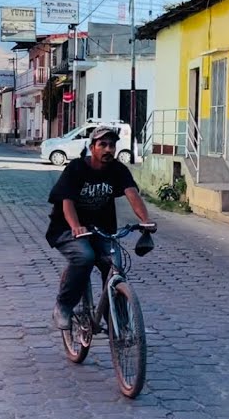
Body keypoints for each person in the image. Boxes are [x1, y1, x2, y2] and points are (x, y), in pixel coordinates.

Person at [45, 126, 155, 330]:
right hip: (68, 229)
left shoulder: (118, 170)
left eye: (111, 145)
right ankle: (64, 306)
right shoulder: (76, 168)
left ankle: (115, 321)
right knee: (85, 257)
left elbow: (132, 193)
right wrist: (76, 226)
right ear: (92, 147)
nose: (108, 150)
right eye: (102, 144)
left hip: (102, 230)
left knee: (115, 265)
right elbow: (66, 201)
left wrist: (145, 220)